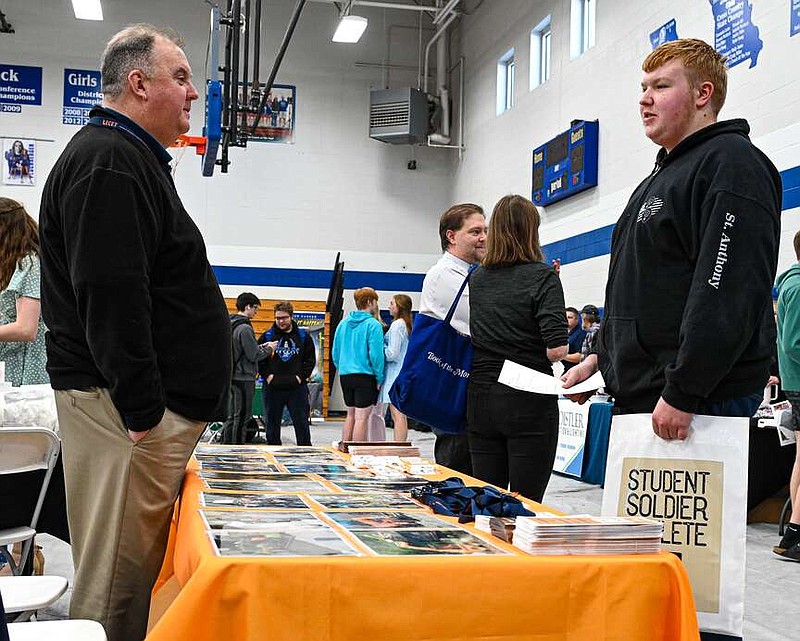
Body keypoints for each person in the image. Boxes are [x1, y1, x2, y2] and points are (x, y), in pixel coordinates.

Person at [38, 24, 231, 641]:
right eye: (180, 77)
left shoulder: (126, 159)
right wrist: (143, 408)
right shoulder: (110, 162)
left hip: (132, 415)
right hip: (127, 417)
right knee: (115, 591)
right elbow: (113, 295)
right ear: (137, 83)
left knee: (129, 578)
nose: (193, 93)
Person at [564, 38, 780, 447]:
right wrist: (602, 361)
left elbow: (727, 289)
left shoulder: (732, 164)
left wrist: (686, 388)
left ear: (703, 94)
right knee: (638, 516)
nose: (645, 100)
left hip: (700, 401)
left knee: (692, 515)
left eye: (661, 87)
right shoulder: (657, 178)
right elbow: (641, 290)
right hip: (651, 394)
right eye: (643, 89)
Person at [468, 195, 568, 502]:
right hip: (528, 397)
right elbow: (557, 349)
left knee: (488, 502)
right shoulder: (542, 276)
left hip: (482, 395)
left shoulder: (478, 277)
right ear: (531, 231)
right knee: (525, 504)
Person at [419, 203, 487, 475]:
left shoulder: (471, 273)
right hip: (451, 384)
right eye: (475, 232)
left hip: (467, 387)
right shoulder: (445, 274)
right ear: (451, 236)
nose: (483, 237)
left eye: (485, 231)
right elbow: (480, 322)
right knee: (456, 468)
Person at [0, 198, 49, 386]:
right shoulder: (8, 264)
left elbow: (26, 329)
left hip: (27, 369)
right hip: (9, 362)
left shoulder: (30, 265)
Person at [773, 230, 800, 562]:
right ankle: (795, 531)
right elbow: (794, 343)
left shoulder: (789, 285)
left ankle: (793, 532)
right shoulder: (797, 286)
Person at [258, 300, 316, 446]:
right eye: (278, 318)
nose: (281, 321)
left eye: (284, 317)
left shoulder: (303, 337)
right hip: (273, 387)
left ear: (291, 316)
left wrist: (300, 377)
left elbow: (310, 361)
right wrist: (268, 376)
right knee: (272, 425)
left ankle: (305, 455)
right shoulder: (267, 336)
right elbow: (259, 359)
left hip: (296, 387)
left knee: (301, 424)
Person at [332, 287, 385, 441]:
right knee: (362, 418)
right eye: (375, 301)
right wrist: (379, 377)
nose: (376, 305)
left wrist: (342, 367)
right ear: (369, 302)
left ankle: (345, 449)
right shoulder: (373, 325)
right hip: (365, 375)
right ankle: (358, 453)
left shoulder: (343, 324)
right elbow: (376, 355)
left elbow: (335, 352)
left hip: (345, 375)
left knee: (351, 415)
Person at [222, 292, 275, 445]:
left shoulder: (230, 323)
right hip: (243, 377)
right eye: (255, 308)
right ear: (247, 307)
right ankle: (236, 449)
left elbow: (243, 349)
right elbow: (253, 355)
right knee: (243, 416)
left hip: (232, 375)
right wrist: (269, 349)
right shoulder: (245, 328)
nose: (256, 312)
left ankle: (226, 447)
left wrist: (260, 347)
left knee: (232, 416)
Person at [377, 294, 412, 442]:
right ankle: (400, 444)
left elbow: (393, 353)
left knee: (397, 414)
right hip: (398, 373)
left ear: (399, 306)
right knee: (398, 414)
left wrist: (379, 348)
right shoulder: (403, 324)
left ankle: (399, 445)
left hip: (395, 374)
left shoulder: (398, 325)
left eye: (392, 303)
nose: (389, 306)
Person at [561, 306, 586, 372]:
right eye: (565, 317)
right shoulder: (563, 332)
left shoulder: (581, 334)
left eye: (570, 317)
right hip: (567, 368)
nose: (566, 320)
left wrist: (560, 355)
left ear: (577, 320)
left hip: (578, 370)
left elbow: (580, 357)